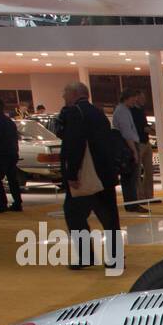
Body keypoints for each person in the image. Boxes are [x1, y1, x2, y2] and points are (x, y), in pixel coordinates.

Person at [57, 81, 120, 270]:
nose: (63, 97)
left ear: (74, 93)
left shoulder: (75, 113)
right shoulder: (98, 113)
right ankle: (115, 258)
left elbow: (74, 144)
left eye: (65, 93)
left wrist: (72, 173)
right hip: (105, 173)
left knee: (73, 214)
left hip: (86, 175)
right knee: (109, 218)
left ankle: (86, 256)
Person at [111, 89, 146, 213]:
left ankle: (132, 203)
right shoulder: (122, 111)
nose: (135, 100)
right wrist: (134, 151)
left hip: (129, 144)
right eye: (134, 98)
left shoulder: (124, 110)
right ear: (128, 97)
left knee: (130, 177)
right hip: (128, 146)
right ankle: (132, 204)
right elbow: (127, 133)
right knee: (130, 177)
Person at [0, 97, 22, 214]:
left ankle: (2, 203)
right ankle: (17, 202)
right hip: (12, 153)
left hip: (1, 154)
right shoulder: (9, 121)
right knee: (12, 179)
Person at [131, 90, 155, 202]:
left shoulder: (141, 111)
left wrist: (149, 130)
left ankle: (148, 194)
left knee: (149, 170)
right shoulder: (132, 111)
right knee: (137, 171)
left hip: (145, 142)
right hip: (138, 143)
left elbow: (144, 126)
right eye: (142, 97)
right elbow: (138, 127)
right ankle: (139, 195)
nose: (144, 100)